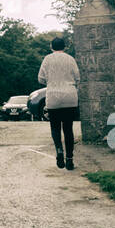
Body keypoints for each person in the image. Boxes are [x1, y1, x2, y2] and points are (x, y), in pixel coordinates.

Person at [37, 36, 80, 170]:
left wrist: (51, 82)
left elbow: (41, 79)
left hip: (53, 97)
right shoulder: (70, 59)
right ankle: (70, 159)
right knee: (68, 129)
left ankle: (59, 151)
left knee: (55, 128)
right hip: (69, 97)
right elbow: (78, 78)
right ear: (64, 47)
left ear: (51, 47)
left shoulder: (47, 59)